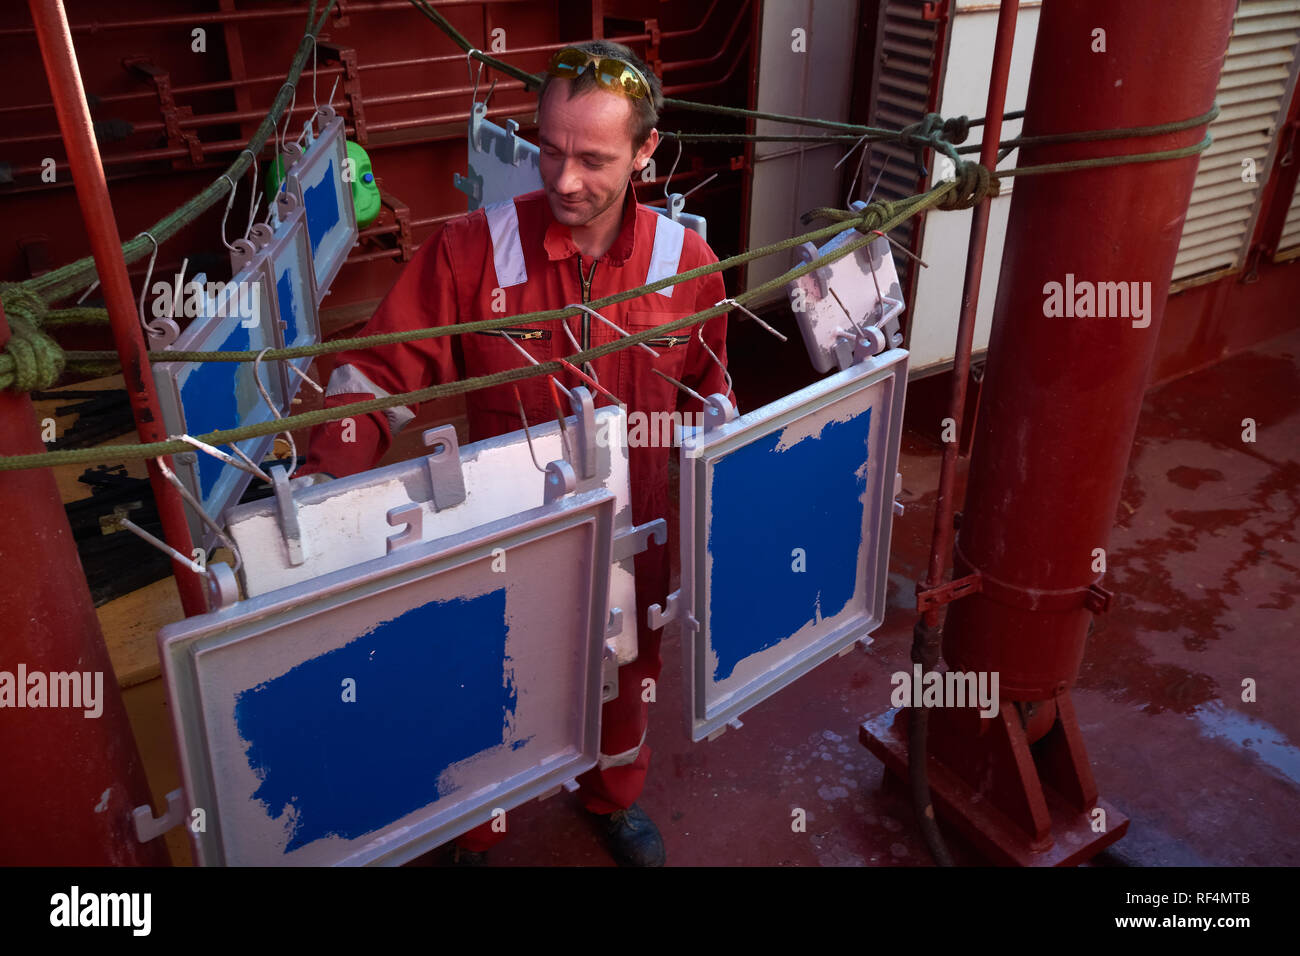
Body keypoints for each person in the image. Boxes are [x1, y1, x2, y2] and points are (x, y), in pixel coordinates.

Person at [299, 40, 730, 867]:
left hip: (639, 531)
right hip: (507, 531)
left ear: (646, 151)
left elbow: (712, 391)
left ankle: (611, 796)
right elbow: (377, 369)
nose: (564, 182)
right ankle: (480, 826)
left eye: (594, 160)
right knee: (487, 678)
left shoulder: (691, 267)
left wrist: (728, 497)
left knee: (629, 670)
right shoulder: (470, 252)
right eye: (550, 150)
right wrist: (327, 475)